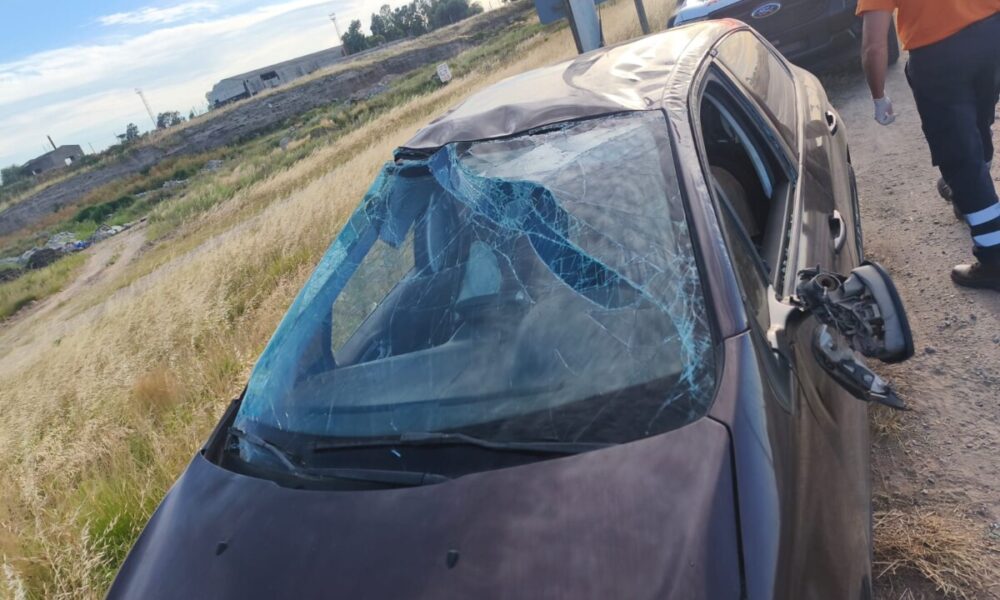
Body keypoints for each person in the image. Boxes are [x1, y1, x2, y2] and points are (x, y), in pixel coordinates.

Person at [857, 1, 1000, 290]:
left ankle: (995, 259)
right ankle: (967, 195)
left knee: (960, 156)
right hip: (991, 38)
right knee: (978, 122)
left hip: (939, 58)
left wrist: (878, 96)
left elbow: (874, 45)